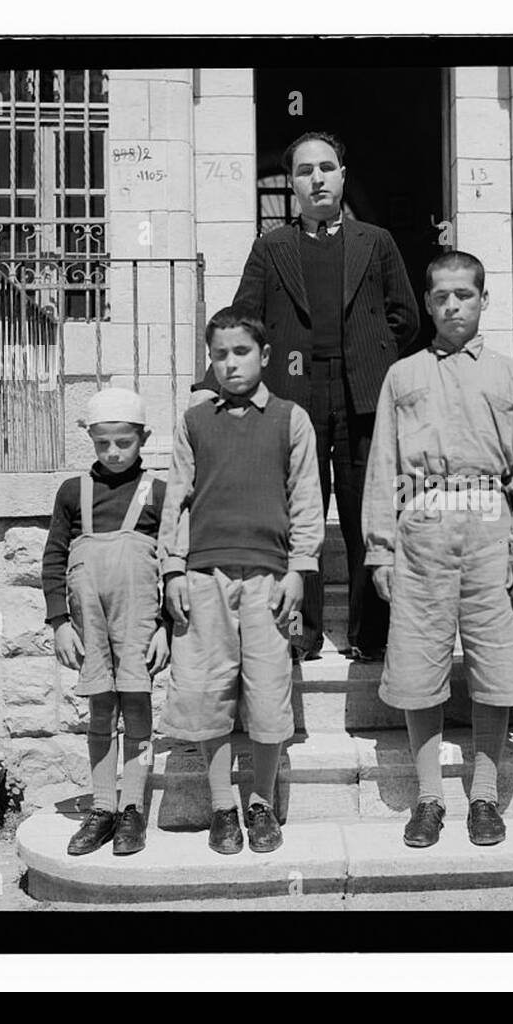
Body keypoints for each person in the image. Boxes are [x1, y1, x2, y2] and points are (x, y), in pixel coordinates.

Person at [195, 130, 420, 663]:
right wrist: (211, 386)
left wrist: (371, 355)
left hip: (362, 396)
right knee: (301, 515)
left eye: (326, 167)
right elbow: (245, 320)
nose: (316, 178)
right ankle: (303, 632)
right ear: (293, 184)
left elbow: (405, 315)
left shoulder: (377, 241)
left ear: (342, 174)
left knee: (370, 513)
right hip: (298, 398)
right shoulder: (271, 248)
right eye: (303, 171)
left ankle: (373, 635)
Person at [363, 250, 513, 849]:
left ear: (483, 299)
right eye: (440, 296)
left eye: (464, 295)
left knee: (494, 666)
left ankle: (485, 795)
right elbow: (383, 463)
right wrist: (381, 550)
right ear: (427, 302)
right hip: (423, 524)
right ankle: (429, 798)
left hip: (490, 524)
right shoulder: (404, 374)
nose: (451, 306)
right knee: (418, 665)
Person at [159, 311, 325, 855]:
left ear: (264, 356)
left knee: (269, 694)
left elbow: (306, 499)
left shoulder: (289, 418)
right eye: (220, 355)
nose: (231, 363)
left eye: (241, 352)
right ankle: (222, 807)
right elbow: (178, 501)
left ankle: (259, 801)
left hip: (270, 580)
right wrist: (173, 569)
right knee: (208, 691)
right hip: (204, 575)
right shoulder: (194, 421)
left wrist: (301, 569)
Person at [42, 387, 169, 857]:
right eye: (103, 444)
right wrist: (59, 621)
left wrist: (166, 628)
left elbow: (176, 562)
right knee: (100, 706)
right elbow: (54, 558)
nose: (114, 453)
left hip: (139, 621)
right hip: (89, 622)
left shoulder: (158, 492)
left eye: (124, 443)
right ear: (91, 440)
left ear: (144, 439)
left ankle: (132, 809)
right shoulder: (73, 492)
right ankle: (102, 807)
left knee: (135, 704)